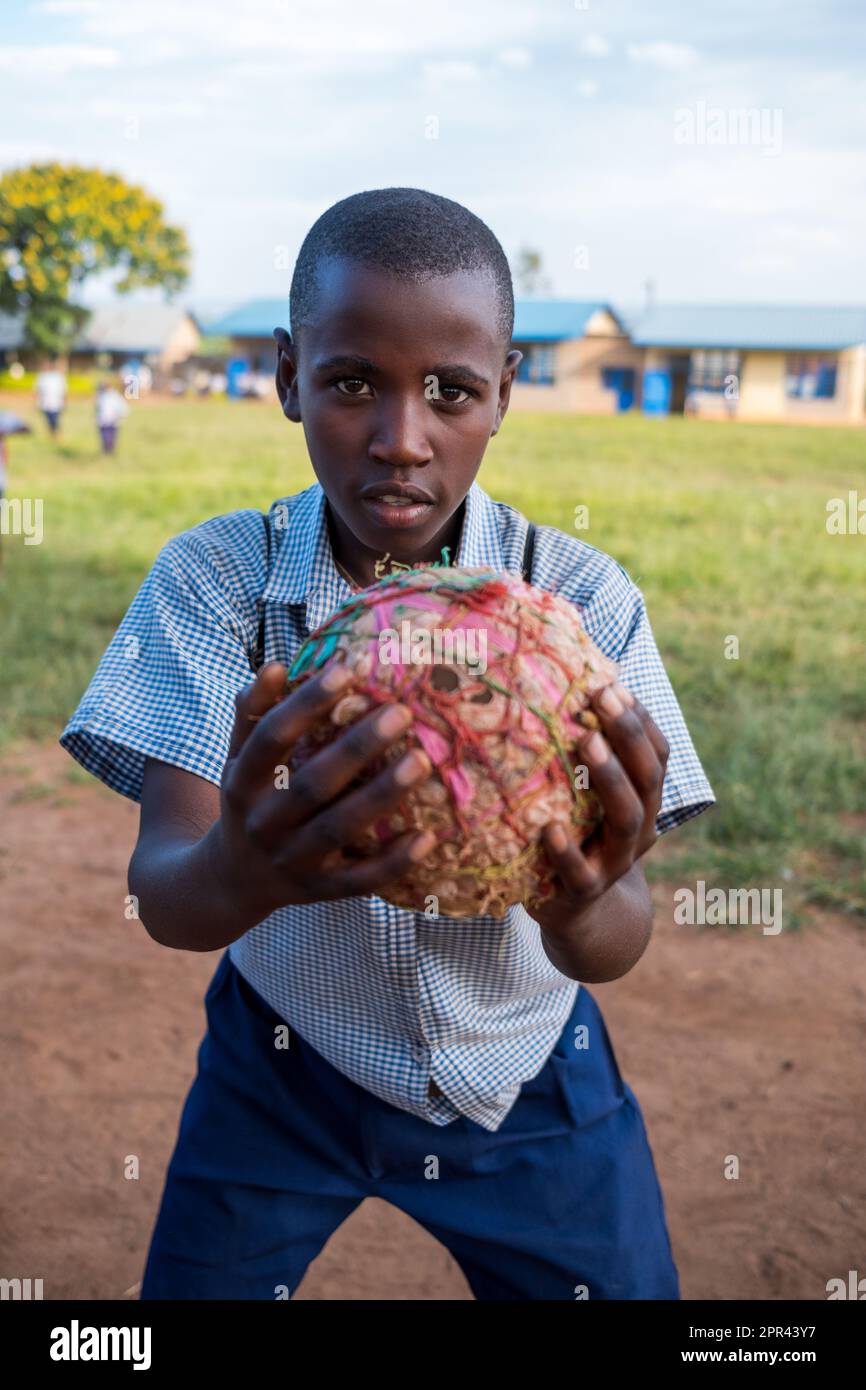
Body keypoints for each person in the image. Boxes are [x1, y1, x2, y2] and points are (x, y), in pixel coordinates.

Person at [60, 188, 715, 1301]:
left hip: (520, 1069)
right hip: (282, 1061)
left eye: (451, 392)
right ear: (284, 377)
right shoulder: (219, 586)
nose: (400, 438)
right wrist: (239, 869)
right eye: (352, 380)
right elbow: (168, 894)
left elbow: (616, 938)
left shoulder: (576, 608)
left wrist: (582, 900)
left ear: (504, 394)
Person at [94, 379, 128, 454]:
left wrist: (118, 416)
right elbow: (97, 408)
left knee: (110, 440)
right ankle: (105, 452)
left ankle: (110, 453)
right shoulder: (100, 396)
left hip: (112, 422)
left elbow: (123, 408)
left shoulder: (115, 396)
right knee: (104, 439)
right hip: (102, 422)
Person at [35, 360, 67, 436]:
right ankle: (52, 433)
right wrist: (37, 402)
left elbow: (63, 390)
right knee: (48, 420)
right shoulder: (42, 377)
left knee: (54, 420)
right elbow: (38, 391)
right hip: (45, 403)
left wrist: (64, 401)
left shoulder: (58, 377)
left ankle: (56, 433)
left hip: (56, 403)